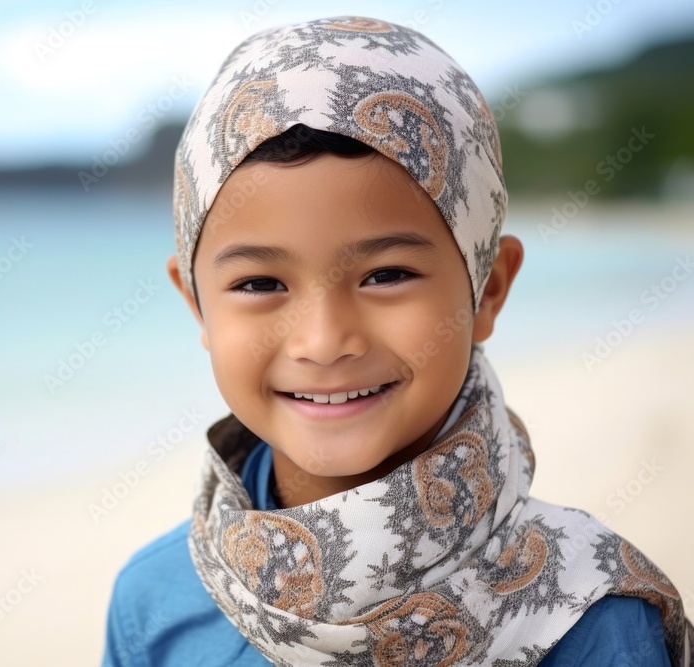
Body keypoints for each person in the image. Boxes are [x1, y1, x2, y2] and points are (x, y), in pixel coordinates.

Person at [100, 15, 693, 666]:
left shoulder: (590, 616)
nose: (324, 341)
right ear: (196, 304)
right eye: (261, 282)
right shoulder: (153, 606)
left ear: (487, 288)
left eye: (386, 275)